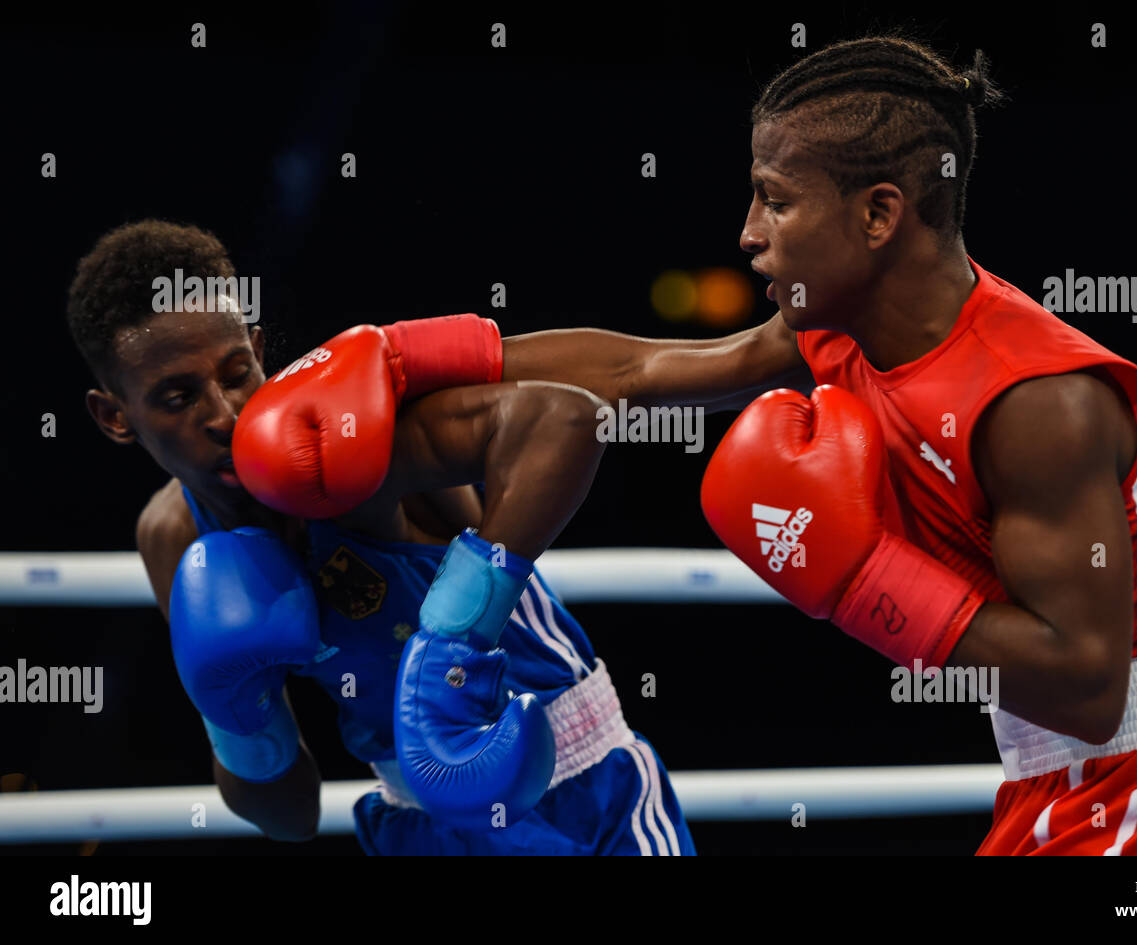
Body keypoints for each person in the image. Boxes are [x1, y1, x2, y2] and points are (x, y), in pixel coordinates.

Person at [485, 35, 1137, 854]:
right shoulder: (838, 334)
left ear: (877, 214)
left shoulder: (1039, 401)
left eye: (776, 200)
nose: (748, 233)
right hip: (1059, 784)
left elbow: (1088, 687)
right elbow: (638, 366)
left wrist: (863, 575)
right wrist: (422, 355)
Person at [69, 219, 692, 855]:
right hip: (417, 829)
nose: (223, 415)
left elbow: (562, 418)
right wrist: (238, 724)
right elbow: (293, 818)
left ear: (259, 349)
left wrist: (455, 632)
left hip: (582, 787)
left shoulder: (352, 446)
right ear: (115, 416)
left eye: (236, 373)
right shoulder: (172, 539)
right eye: (177, 397)